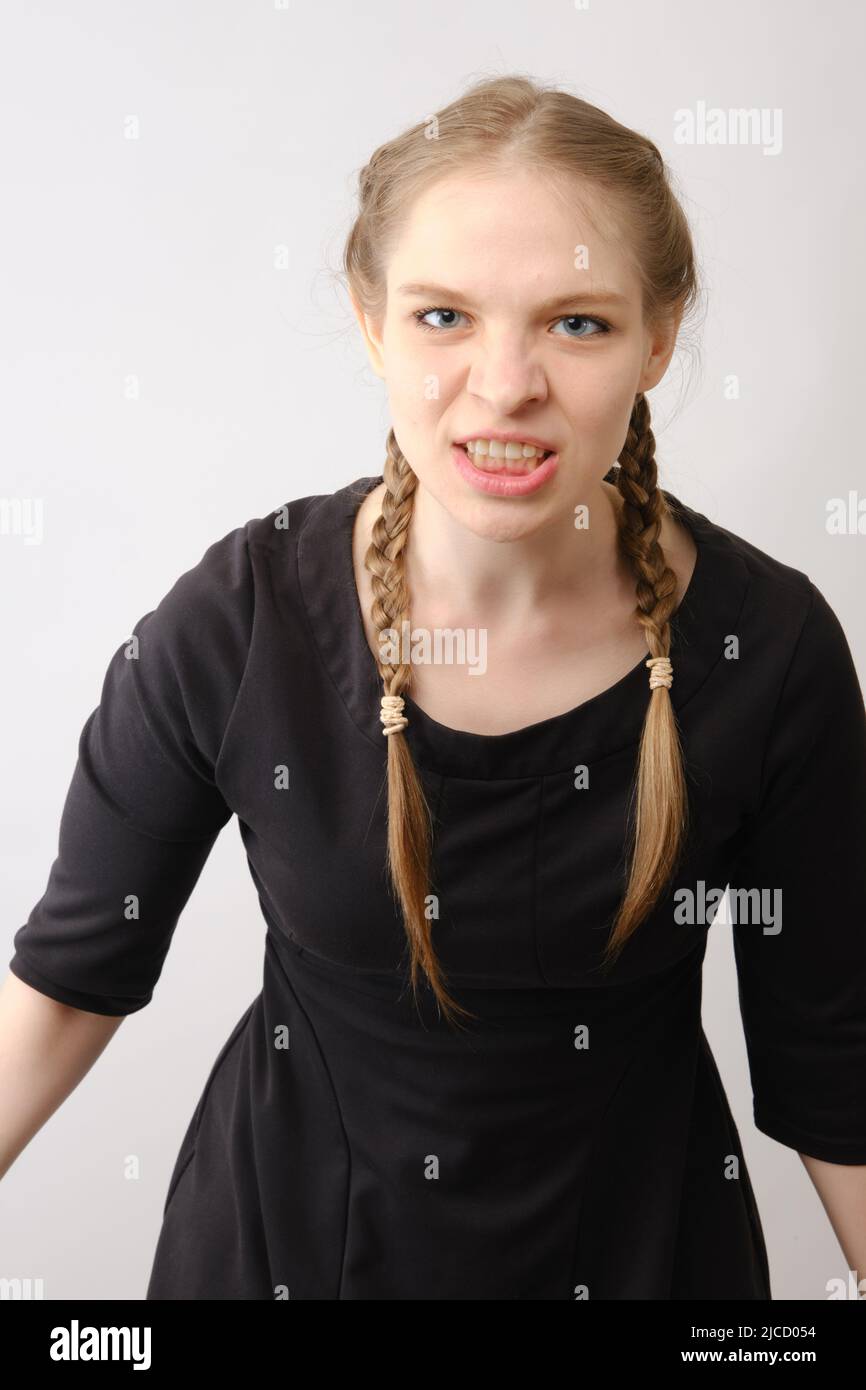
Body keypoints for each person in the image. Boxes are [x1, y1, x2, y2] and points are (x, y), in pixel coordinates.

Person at [3, 73, 865, 1300]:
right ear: (370, 323)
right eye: (443, 316)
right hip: (281, 1262)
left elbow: (833, 1065)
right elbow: (62, 989)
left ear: (659, 338)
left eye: (576, 323)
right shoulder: (242, 620)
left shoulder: (767, 649)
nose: (504, 385)